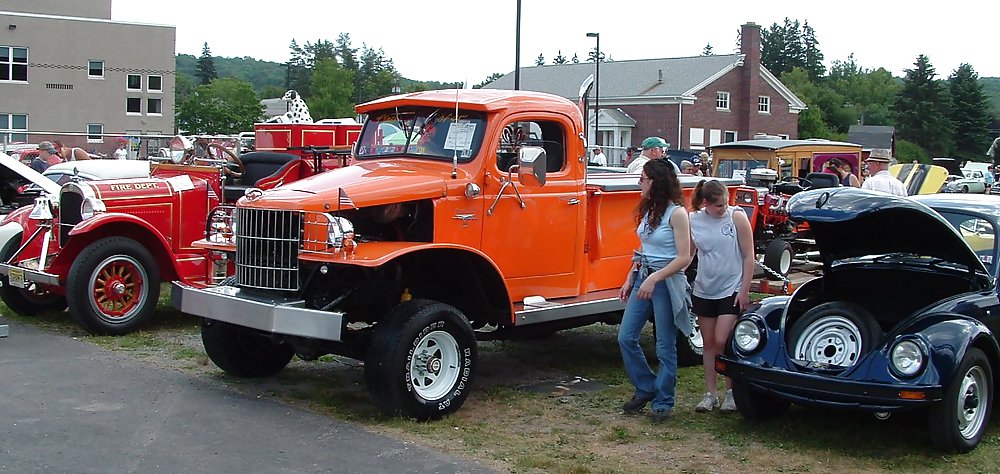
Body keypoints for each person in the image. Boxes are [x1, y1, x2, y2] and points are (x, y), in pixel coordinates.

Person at [618, 159, 693, 423]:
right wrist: (631, 277)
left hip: (666, 282)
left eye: (644, 178)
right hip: (644, 276)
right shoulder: (650, 211)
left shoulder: (677, 214)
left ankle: (663, 400)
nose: (640, 182)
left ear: (657, 183)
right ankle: (646, 386)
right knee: (626, 337)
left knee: (665, 345)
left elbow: (684, 257)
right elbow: (644, 248)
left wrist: (655, 278)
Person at [689, 179, 755, 413]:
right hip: (705, 288)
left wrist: (744, 289)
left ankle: (731, 391)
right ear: (705, 203)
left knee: (722, 339)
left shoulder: (736, 217)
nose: (723, 209)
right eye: (719, 206)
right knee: (708, 343)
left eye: (726, 204)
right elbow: (688, 253)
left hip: (731, 287)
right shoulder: (693, 220)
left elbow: (749, 256)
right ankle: (710, 393)